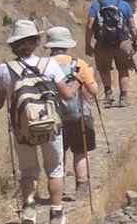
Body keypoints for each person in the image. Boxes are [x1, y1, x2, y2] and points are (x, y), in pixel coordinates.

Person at [0, 18, 68, 224]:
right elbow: (66, 95)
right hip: (50, 126)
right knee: (55, 169)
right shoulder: (50, 65)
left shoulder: (4, 70)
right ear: (36, 42)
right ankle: (56, 215)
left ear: (14, 44)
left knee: (28, 170)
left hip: (22, 129)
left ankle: (29, 209)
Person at [42, 25, 100, 204]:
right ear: (67, 44)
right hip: (78, 115)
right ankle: (81, 187)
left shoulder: (42, 65)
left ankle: (58, 190)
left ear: (50, 45)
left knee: (58, 156)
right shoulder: (78, 64)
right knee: (80, 152)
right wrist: (88, 77)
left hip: (53, 117)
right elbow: (94, 90)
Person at [85, 0, 137, 107]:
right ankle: (123, 97)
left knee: (104, 69)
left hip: (102, 43)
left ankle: (108, 94)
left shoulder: (96, 5)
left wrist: (88, 44)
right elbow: (133, 27)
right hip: (122, 42)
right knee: (123, 69)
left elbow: (89, 26)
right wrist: (134, 41)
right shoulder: (124, 5)